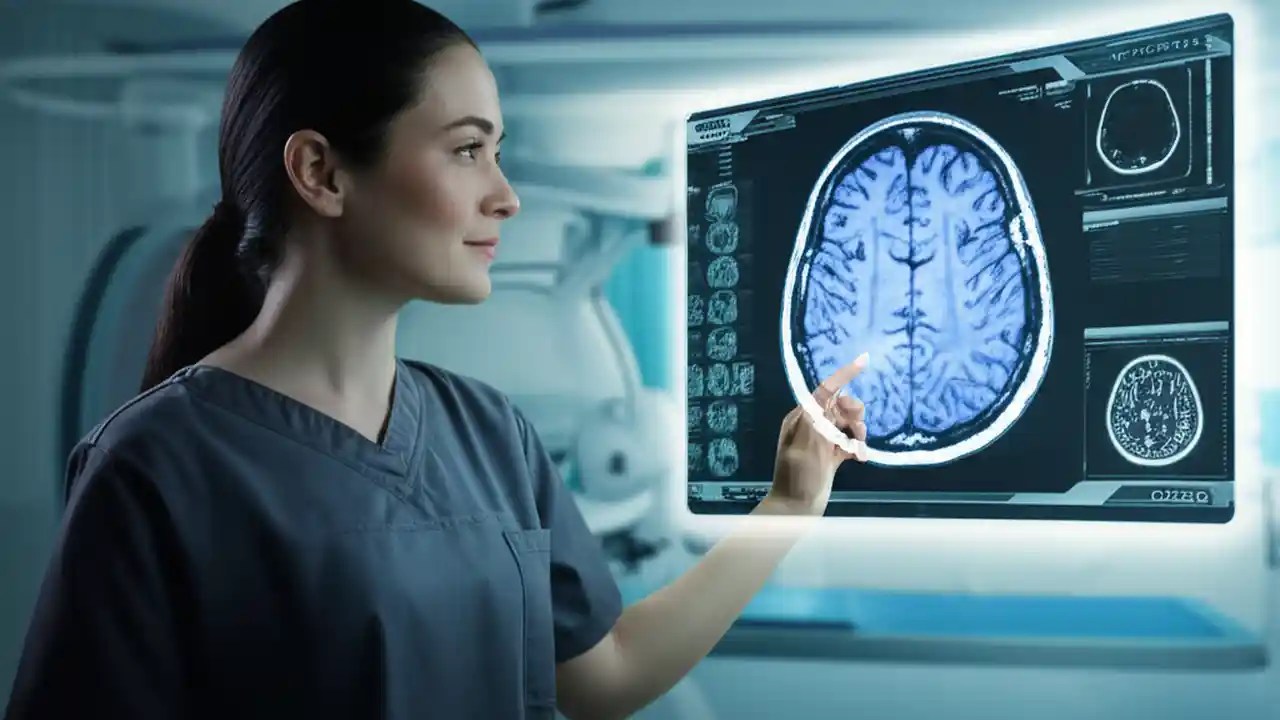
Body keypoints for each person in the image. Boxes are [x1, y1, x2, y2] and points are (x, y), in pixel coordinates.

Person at [3, 1, 870, 718]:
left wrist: (787, 506)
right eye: (467, 149)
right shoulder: (157, 466)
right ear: (321, 172)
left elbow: (602, 679)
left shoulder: (491, 433)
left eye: (498, 151)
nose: (507, 193)